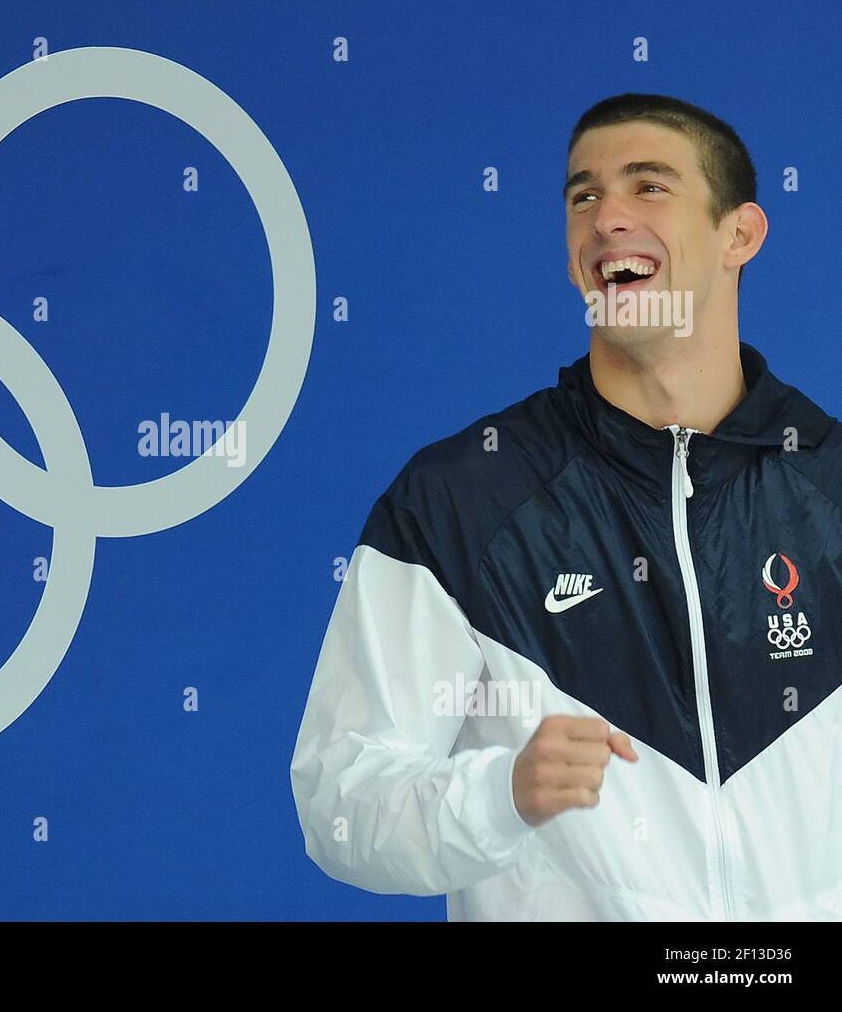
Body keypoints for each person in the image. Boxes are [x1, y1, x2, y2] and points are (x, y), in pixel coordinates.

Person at [289, 92, 842, 921]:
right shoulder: (461, 502)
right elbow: (339, 803)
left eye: (647, 186)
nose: (607, 218)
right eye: (583, 196)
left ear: (741, 235)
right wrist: (498, 794)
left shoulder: (829, 484)